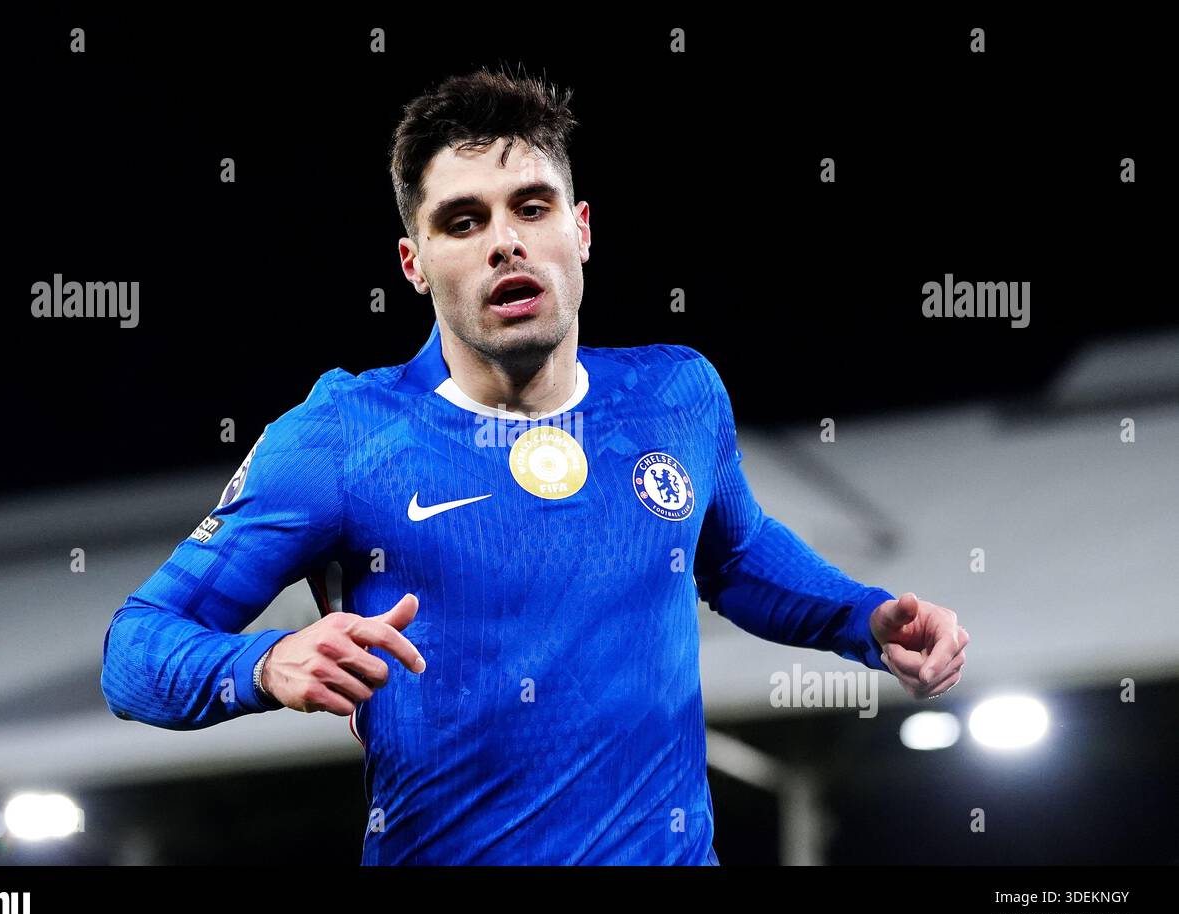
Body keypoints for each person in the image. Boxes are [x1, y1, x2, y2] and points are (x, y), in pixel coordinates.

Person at [101, 66, 969, 864]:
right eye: (463, 221)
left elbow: (734, 554)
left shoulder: (678, 395)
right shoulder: (343, 439)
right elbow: (133, 652)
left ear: (581, 229)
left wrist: (862, 618)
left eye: (532, 207)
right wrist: (263, 664)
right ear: (414, 263)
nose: (505, 243)